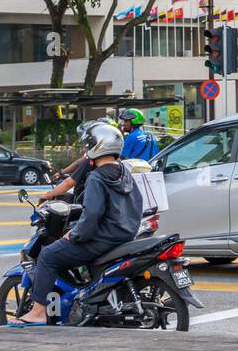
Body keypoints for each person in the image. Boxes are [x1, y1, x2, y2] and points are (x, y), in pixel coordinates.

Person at [10, 122, 143, 326]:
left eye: (87, 144)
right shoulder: (124, 172)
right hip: (125, 236)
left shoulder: (96, 178)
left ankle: (37, 312)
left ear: (95, 146)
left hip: (101, 240)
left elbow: (92, 215)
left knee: (48, 255)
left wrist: (74, 234)